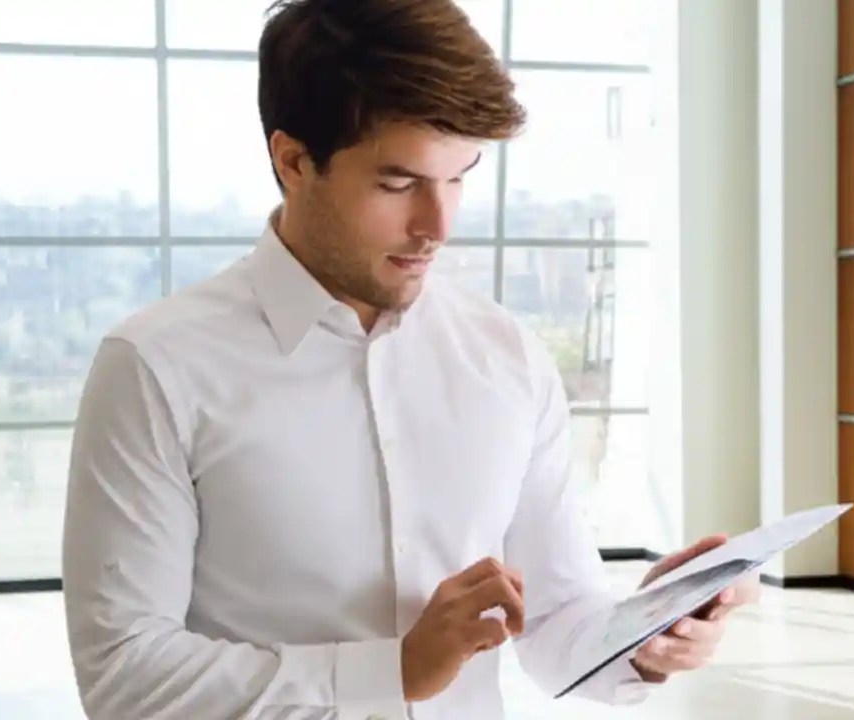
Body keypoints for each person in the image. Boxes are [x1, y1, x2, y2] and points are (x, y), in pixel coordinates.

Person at [61, 1, 757, 718]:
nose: (437, 226)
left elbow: (553, 624)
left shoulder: (507, 357)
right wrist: (389, 672)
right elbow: (124, 675)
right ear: (293, 160)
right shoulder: (156, 367)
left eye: (458, 177)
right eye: (398, 185)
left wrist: (637, 637)